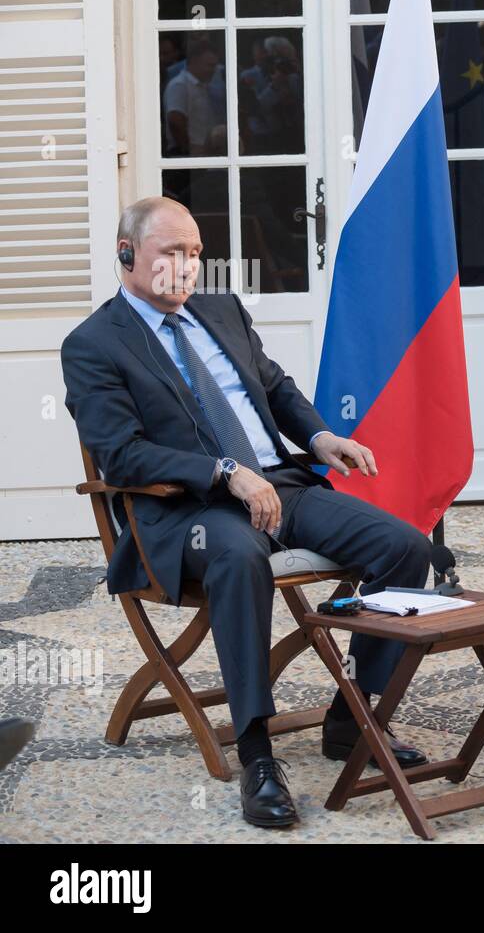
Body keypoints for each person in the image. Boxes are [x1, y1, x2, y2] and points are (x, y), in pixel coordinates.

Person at [61, 197, 433, 827]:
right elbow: (121, 455)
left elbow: (276, 386)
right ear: (126, 256)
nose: (186, 268)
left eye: (195, 254)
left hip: (280, 488)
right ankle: (258, 756)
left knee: (407, 547)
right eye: (170, 254)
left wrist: (319, 438)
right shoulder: (95, 344)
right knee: (238, 557)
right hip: (188, 510)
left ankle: (353, 718)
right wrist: (224, 472)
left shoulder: (221, 311)